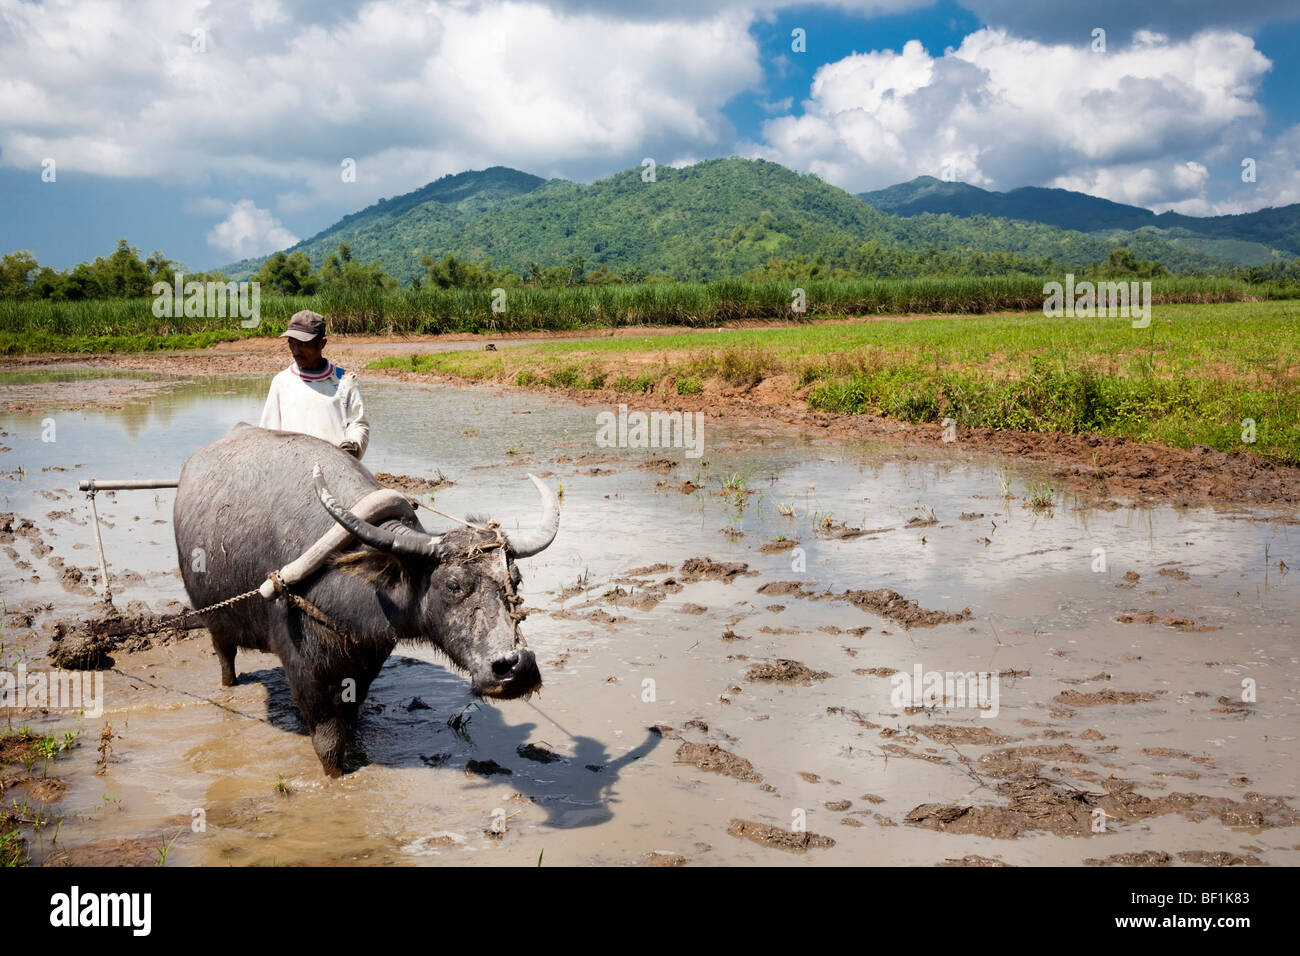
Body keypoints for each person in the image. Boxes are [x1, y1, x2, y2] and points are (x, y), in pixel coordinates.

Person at [259, 309, 369, 459]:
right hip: (293, 467)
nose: (296, 351)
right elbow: (269, 431)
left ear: (321, 344)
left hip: (335, 466)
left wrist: (352, 445)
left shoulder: (345, 381)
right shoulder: (282, 382)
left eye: (303, 344)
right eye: (292, 343)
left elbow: (357, 423)